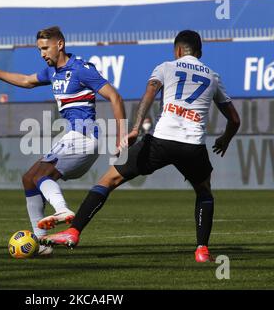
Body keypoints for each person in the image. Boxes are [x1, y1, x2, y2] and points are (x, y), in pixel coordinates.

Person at [40, 30, 241, 263]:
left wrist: (135, 128)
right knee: (204, 193)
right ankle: (202, 250)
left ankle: (73, 232)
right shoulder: (213, 76)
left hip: (161, 140)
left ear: (177, 50)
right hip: (193, 145)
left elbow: (149, 94)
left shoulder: (166, 67)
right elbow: (234, 120)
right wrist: (225, 139)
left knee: (108, 181)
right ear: (200, 52)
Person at [0, 26, 126, 256]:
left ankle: (62, 210)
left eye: (45, 48)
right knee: (29, 179)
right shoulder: (52, 72)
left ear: (60, 44)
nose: (42, 53)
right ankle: (42, 245)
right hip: (73, 136)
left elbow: (114, 96)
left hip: (84, 135)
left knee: (42, 176)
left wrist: (121, 134)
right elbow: (26, 80)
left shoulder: (81, 69)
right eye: (39, 49)